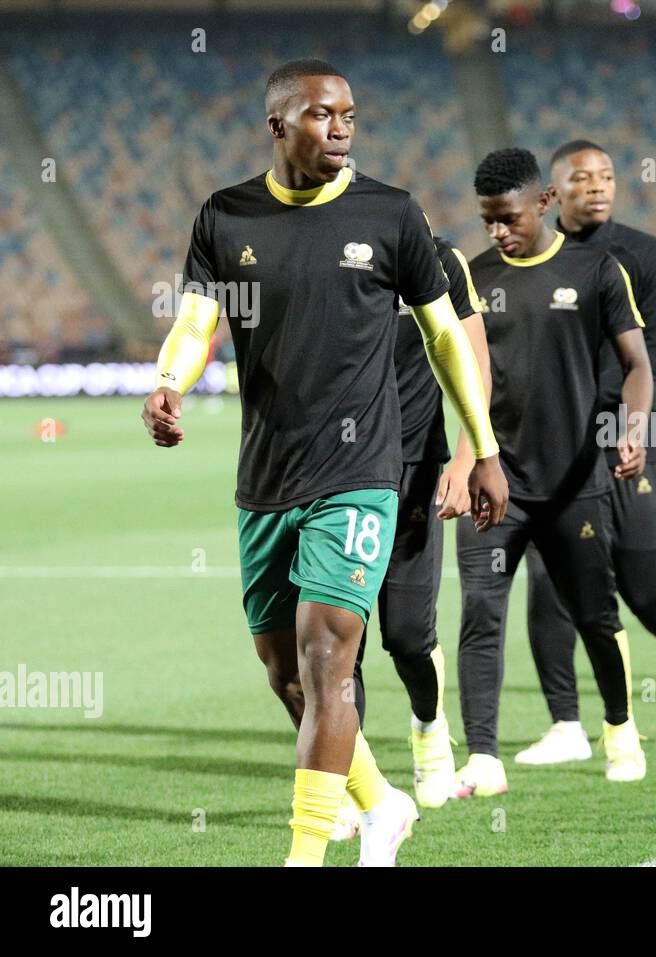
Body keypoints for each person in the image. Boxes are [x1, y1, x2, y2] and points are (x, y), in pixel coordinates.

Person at [140, 60, 507, 865]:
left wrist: (483, 446)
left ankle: (304, 858)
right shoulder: (226, 217)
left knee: (328, 652)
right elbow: (198, 321)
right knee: (287, 674)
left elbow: (446, 335)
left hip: (361, 473)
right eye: (322, 115)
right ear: (278, 126)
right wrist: (169, 380)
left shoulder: (390, 214)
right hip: (266, 476)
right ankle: (382, 804)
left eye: (349, 114)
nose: (342, 127)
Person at [450, 147, 654, 794]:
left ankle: (620, 729)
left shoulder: (597, 270)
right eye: (487, 221)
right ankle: (483, 754)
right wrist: (463, 460)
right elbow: (458, 378)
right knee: (481, 612)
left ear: (542, 203)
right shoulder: (473, 278)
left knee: (595, 613)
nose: (498, 232)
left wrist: (635, 424)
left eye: (507, 218)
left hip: (573, 483)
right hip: (497, 481)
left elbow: (638, 366)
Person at [515, 140, 656, 766]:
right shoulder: (530, 258)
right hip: (551, 443)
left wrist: (596, 397)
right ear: (554, 194)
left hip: (627, 431)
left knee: (641, 584)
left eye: (606, 176)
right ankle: (566, 725)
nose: (598, 186)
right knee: (550, 580)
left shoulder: (643, 254)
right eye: (582, 178)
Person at [331, 232, 489, 844]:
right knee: (339, 639)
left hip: (414, 473)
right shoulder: (320, 256)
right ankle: (353, 785)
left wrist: (467, 457)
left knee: (406, 637)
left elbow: (473, 361)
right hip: (337, 472)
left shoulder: (436, 258)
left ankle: (428, 725)